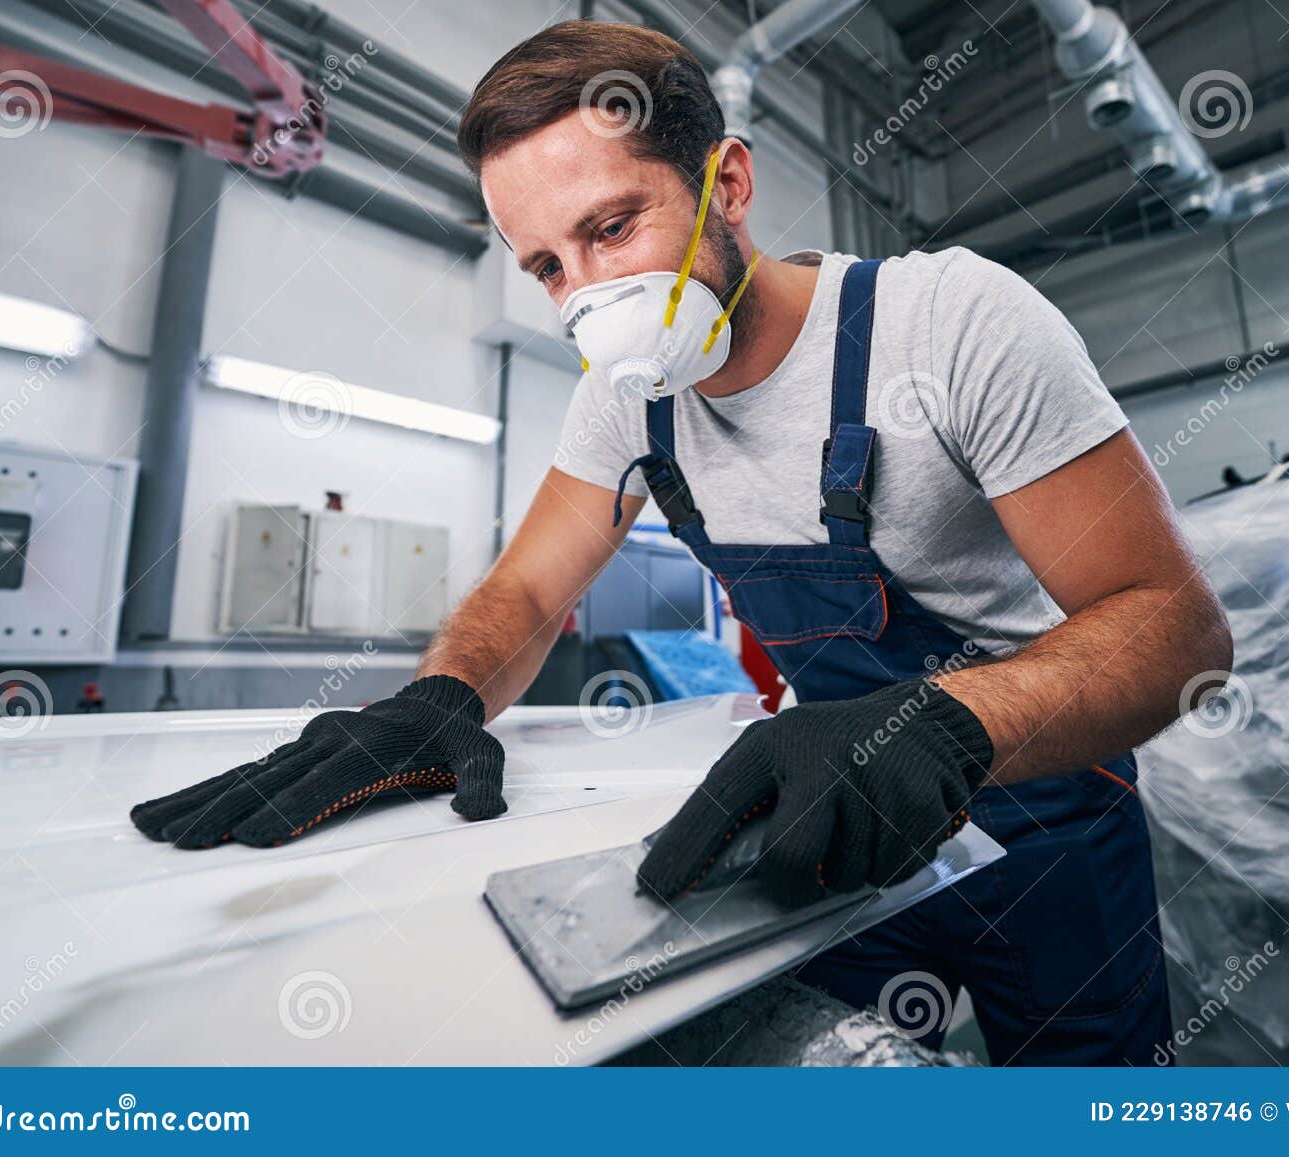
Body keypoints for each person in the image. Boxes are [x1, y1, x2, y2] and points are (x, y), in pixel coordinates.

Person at [131, 20, 1232, 1066]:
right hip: (832, 804)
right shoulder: (632, 401)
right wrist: (442, 696)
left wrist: (941, 723)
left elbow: (1176, 632)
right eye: (549, 267)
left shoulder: (947, 324)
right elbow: (525, 588)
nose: (590, 295)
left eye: (612, 228)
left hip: (1043, 815)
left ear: (731, 184)